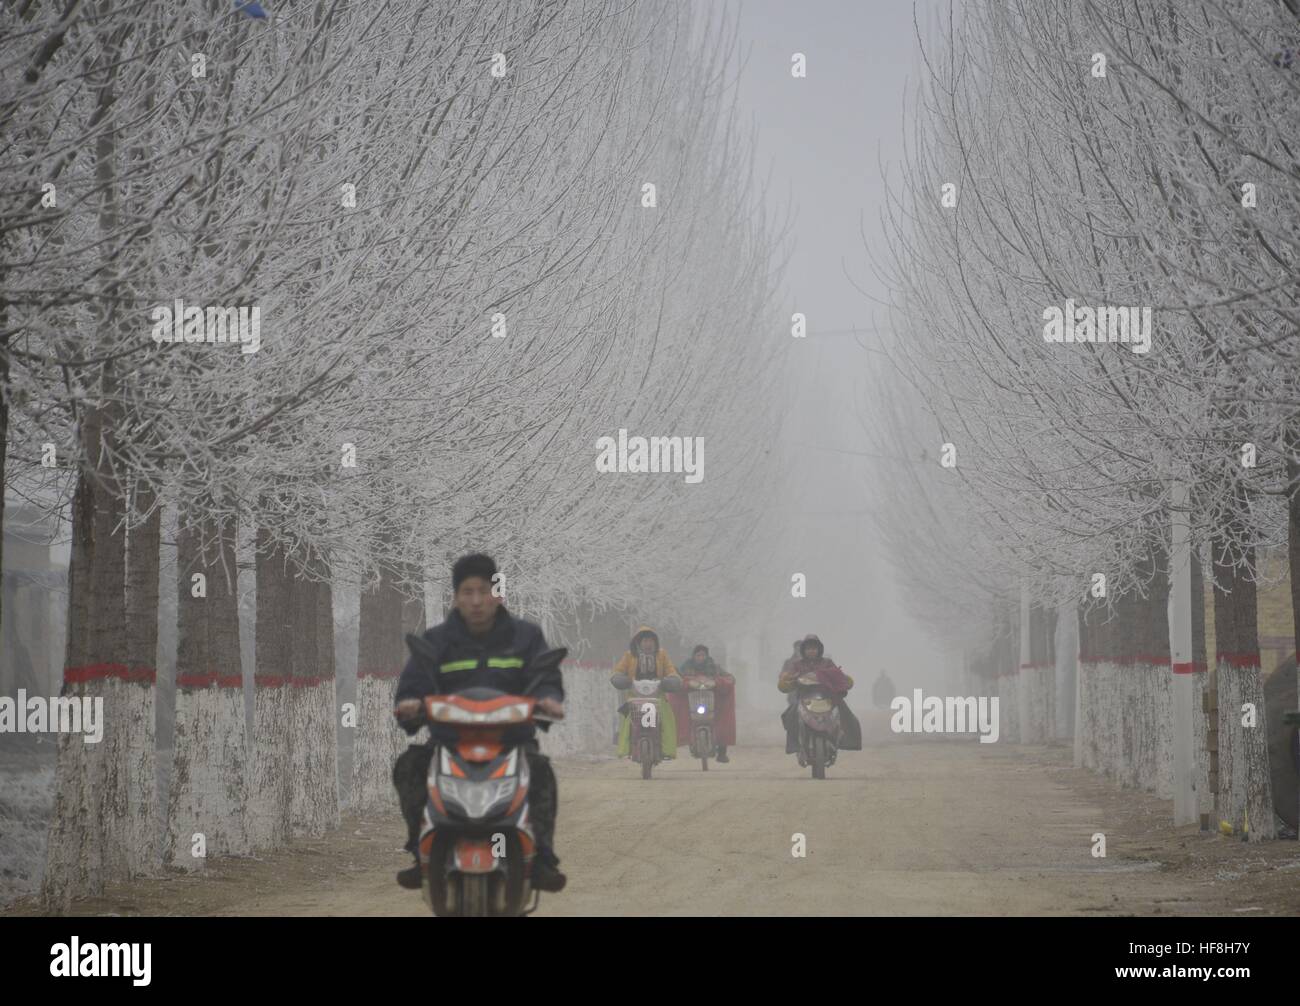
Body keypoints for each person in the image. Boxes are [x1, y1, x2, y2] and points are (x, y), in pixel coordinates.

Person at [391, 553, 566, 893]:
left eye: (483, 591)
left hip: (513, 744)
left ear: (496, 593)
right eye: (467, 592)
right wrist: (409, 705)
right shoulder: (436, 641)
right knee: (409, 767)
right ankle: (419, 850)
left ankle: (542, 857)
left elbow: (546, 678)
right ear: (455, 596)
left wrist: (549, 701)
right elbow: (412, 685)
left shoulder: (526, 637)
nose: (475, 601)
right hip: (448, 744)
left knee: (541, 773)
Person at [777, 634, 862, 753]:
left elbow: (838, 675)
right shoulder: (796, 664)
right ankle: (794, 745)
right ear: (804, 650)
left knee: (847, 714)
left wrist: (845, 680)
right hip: (804, 698)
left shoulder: (827, 662)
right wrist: (787, 679)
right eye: (808, 648)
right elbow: (787, 678)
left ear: (819, 649)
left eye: (814, 648)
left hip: (828, 697)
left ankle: (847, 741)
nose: (811, 651)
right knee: (790, 715)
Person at [611, 626, 679, 759]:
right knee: (626, 718)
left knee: (667, 718)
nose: (648, 644)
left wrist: (672, 680)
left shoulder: (662, 655)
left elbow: (671, 672)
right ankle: (625, 749)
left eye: (651, 641)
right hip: (634, 697)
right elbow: (618, 671)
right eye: (645, 641)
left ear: (655, 642)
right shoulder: (629, 656)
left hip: (657, 696)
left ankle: (668, 750)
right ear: (638, 642)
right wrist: (620, 678)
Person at [677, 644, 736, 761]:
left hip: (713, 703)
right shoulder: (685, 667)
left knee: (722, 722)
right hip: (691, 703)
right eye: (698, 655)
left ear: (707, 656)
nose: (701, 658)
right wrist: (688, 682)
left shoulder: (714, 667)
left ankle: (722, 752)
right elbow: (677, 679)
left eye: (703, 655)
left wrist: (717, 682)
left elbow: (730, 678)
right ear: (694, 656)